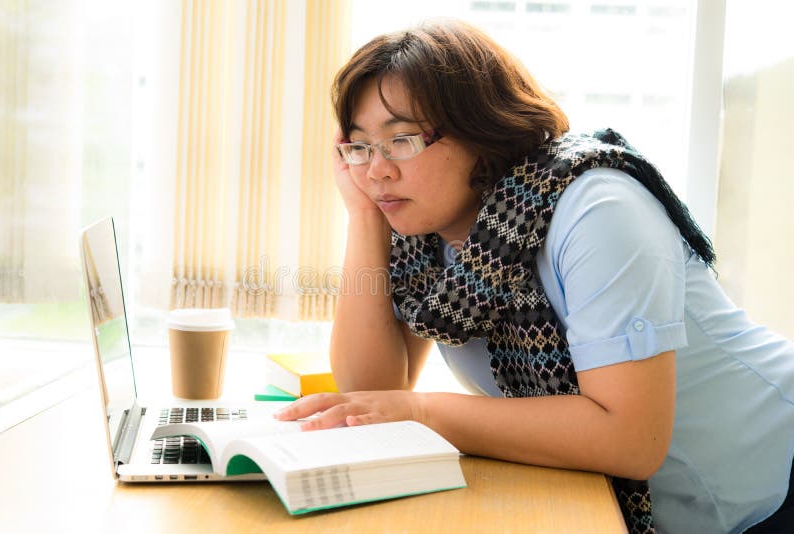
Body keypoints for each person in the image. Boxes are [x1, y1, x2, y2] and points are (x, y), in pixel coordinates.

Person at [273, 19, 794, 533]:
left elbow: (631, 439)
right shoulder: (425, 232)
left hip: (774, 479)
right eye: (359, 147)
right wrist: (365, 218)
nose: (375, 170)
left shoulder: (598, 209)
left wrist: (422, 411)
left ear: (481, 129)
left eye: (402, 139)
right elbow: (372, 394)